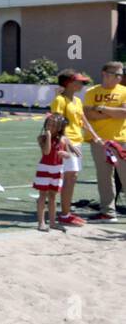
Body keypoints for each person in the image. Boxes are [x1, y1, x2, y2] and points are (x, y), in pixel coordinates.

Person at [48, 70, 100, 226]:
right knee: (66, 177)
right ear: (68, 83)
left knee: (71, 177)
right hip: (65, 143)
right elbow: (55, 123)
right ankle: (64, 214)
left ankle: (65, 212)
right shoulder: (59, 100)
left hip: (77, 142)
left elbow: (83, 121)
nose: (82, 84)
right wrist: (64, 141)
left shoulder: (77, 100)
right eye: (79, 82)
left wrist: (95, 136)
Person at [83, 61, 126, 221]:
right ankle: (108, 212)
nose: (121, 77)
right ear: (106, 74)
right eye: (118, 74)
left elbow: (125, 113)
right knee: (104, 178)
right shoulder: (92, 92)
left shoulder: (124, 91)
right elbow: (89, 114)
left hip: (121, 140)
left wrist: (102, 108)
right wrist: (115, 112)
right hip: (99, 141)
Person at [33, 114, 73, 232]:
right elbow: (46, 152)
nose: (50, 127)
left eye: (54, 125)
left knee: (53, 196)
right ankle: (41, 223)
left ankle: (52, 222)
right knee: (42, 196)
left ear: (60, 127)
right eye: (49, 124)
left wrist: (66, 154)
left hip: (57, 169)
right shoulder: (42, 138)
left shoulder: (64, 139)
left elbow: (69, 154)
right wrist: (49, 137)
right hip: (44, 168)